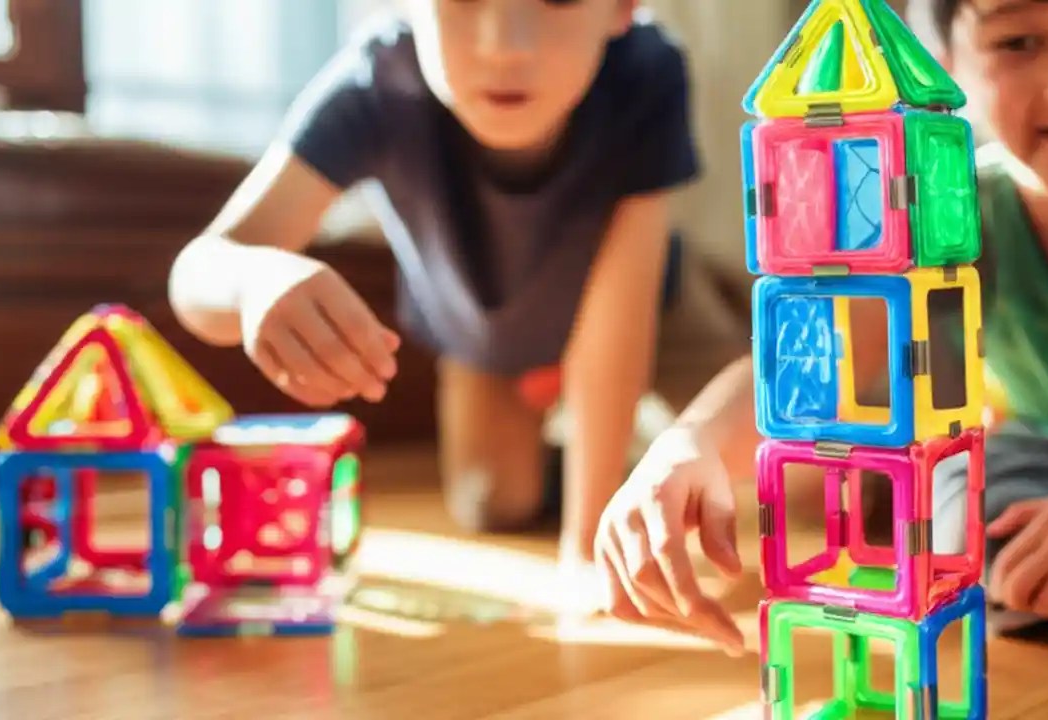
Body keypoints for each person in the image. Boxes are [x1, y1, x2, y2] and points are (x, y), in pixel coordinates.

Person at [592, 0, 1048, 655]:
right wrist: (690, 442)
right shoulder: (952, 211)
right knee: (968, 527)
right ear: (948, 63)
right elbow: (832, 344)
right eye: (1017, 43)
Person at [167, 0, 700, 579]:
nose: (505, 45)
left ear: (622, 8)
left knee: (783, 466)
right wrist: (255, 281)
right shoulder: (377, 85)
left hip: (655, 311)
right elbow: (196, 273)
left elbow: (619, 321)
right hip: (492, 337)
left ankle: (628, 439)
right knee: (494, 500)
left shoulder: (647, 72)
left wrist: (590, 539)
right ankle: (596, 441)